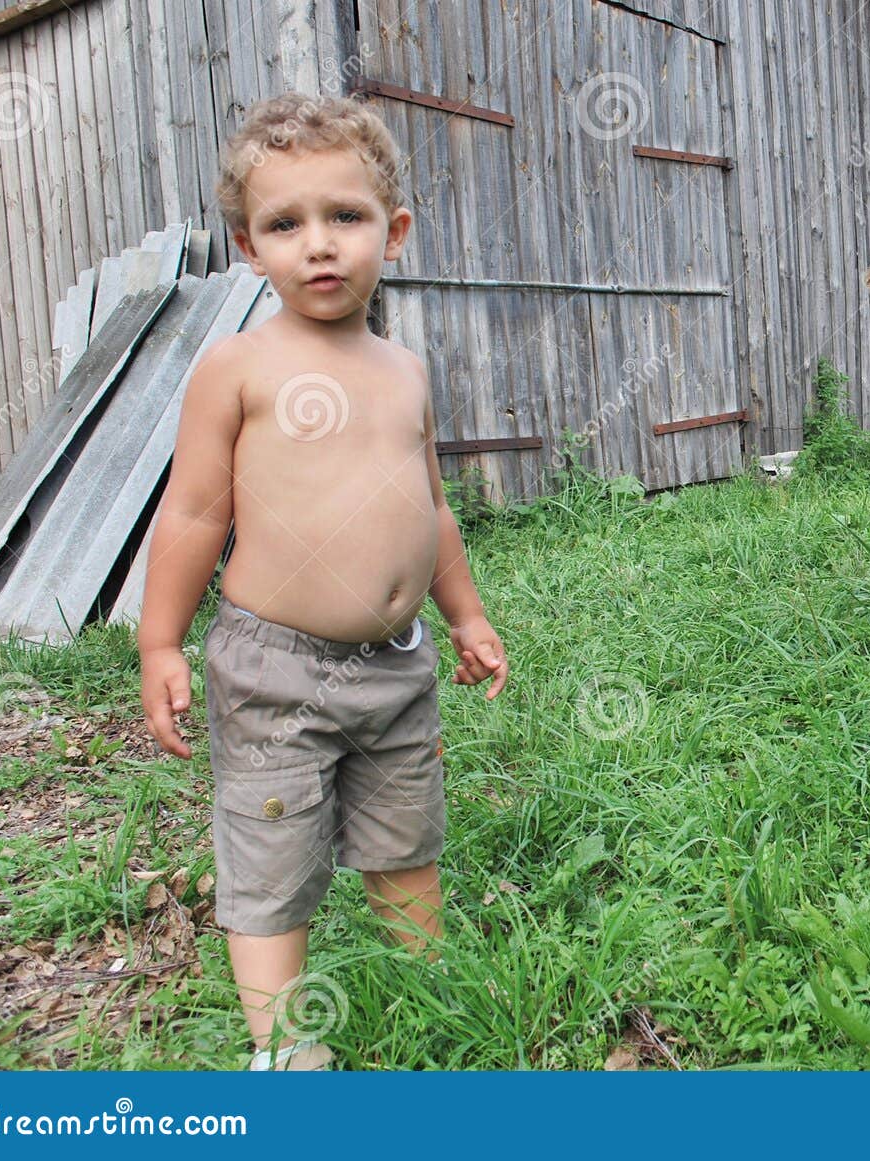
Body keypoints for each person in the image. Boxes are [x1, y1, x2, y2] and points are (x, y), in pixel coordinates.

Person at [137, 93, 509, 1071]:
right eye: (284, 224)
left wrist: (464, 615)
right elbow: (193, 514)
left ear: (393, 231)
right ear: (247, 247)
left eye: (344, 217)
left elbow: (428, 510)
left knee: (405, 832)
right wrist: (159, 641)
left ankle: (428, 987)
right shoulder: (238, 367)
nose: (319, 246)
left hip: (398, 666)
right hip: (275, 671)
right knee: (271, 851)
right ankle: (285, 1048)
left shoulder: (405, 372)